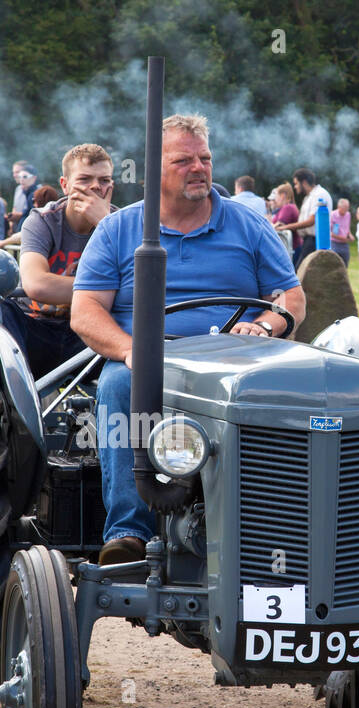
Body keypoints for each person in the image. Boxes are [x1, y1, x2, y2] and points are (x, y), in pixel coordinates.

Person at [71, 114, 306, 566]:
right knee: (120, 385)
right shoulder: (120, 230)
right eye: (184, 160)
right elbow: (85, 312)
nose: (199, 167)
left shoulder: (249, 226)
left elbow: (291, 297)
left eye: (205, 158)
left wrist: (265, 326)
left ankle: (272, 529)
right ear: (154, 169)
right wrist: (128, 349)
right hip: (150, 361)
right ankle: (128, 532)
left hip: (236, 360)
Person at [0, 143, 117, 379]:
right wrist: (107, 290)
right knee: (0, 311)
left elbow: (140, 288)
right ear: (65, 185)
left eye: (104, 180)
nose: (95, 187)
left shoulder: (121, 222)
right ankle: (9, 403)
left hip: (93, 333)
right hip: (36, 329)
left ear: (111, 186)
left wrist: (105, 224)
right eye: (84, 179)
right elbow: (37, 285)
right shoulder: (42, 221)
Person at [274, 167, 332, 268]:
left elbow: (311, 221)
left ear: (304, 182)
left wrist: (285, 227)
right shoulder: (309, 197)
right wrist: (287, 225)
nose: (295, 187)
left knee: (301, 275)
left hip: (315, 241)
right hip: (307, 241)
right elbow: (303, 221)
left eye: (296, 183)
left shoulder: (319, 194)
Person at [269, 183, 300, 257]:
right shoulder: (287, 208)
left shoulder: (287, 208)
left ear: (282, 196)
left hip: (292, 249)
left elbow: (278, 226)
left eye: (276, 196)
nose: (275, 200)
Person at [7, 162, 38, 233]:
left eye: (25, 176)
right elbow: (15, 208)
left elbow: (34, 216)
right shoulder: (20, 190)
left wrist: (19, 216)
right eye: (20, 176)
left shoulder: (36, 194)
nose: (21, 179)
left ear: (34, 178)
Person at [329, 196, 353, 268]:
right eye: (345, 207)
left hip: (344, 244)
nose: (346, 209)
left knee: (345, 263)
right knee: (334, 263)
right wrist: (342, 238)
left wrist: (350, 235)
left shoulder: (348, 215)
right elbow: (330, 233)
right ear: (339, 207)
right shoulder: (332, 215)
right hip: (334, 243)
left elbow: (347, 228)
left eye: (347, 207)